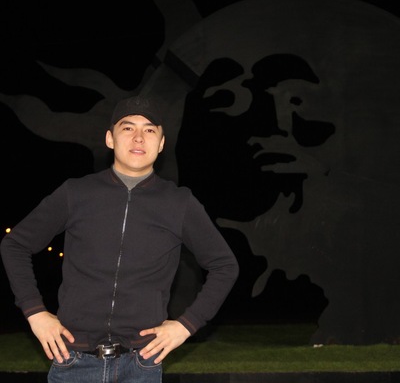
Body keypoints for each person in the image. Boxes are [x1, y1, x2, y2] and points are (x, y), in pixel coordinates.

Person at [0, 95, 239, 383]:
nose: (139, 137)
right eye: (128, 128)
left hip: (141, 365)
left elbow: (225, 265)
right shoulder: (75, 193)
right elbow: (15, 244)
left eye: (149, 130)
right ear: (110, 139)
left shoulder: (180, 203)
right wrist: (35, 312)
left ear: (161, 144)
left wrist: (186, 325)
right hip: (73, 362)